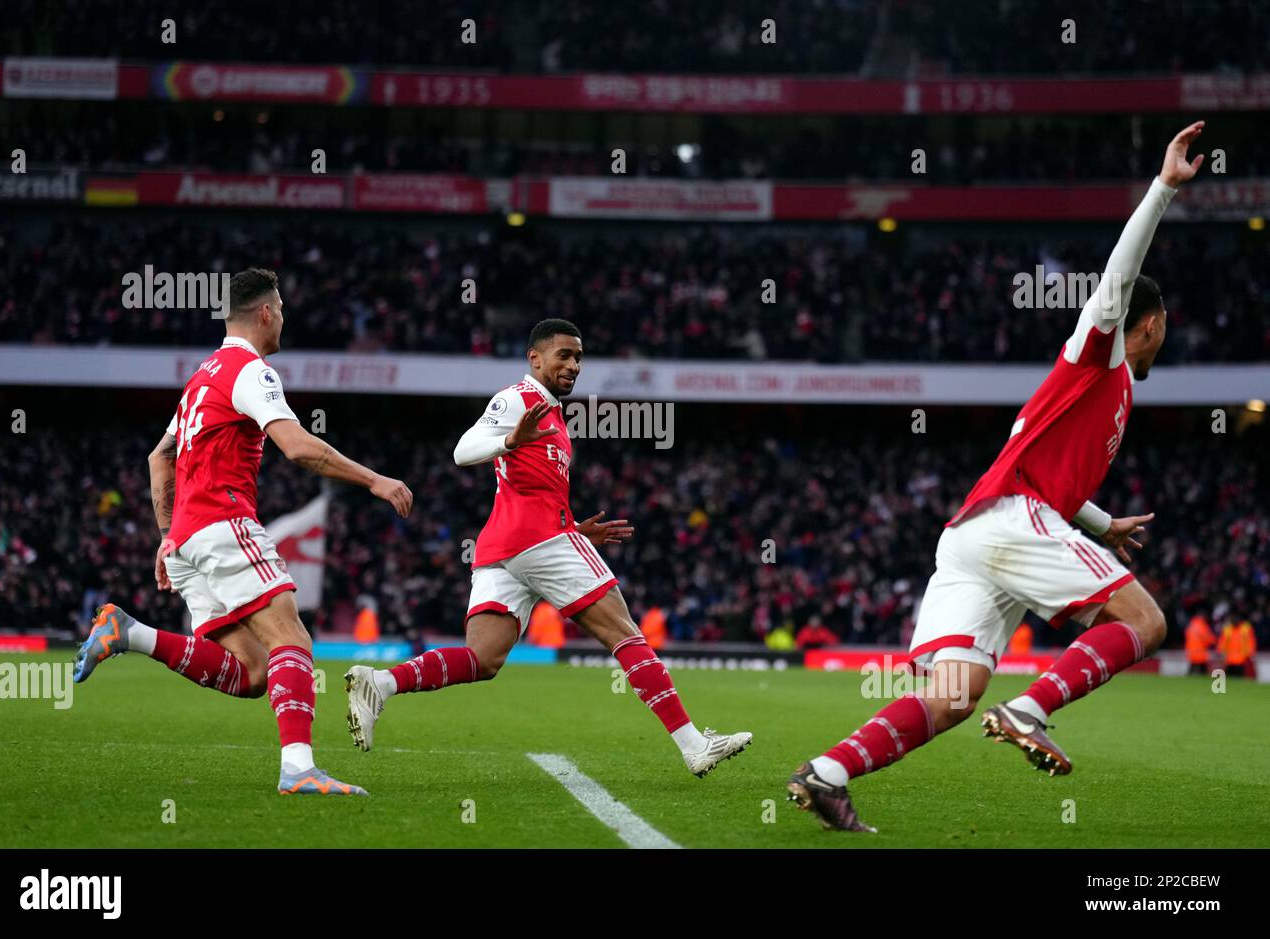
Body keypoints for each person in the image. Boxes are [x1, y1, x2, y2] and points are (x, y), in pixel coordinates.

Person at [786, 123, 1206, 832]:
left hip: (976, 535)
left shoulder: (1102, 396)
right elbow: (1117, 280)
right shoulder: (1098, 355)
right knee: (1146, 619)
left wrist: (1103, 523)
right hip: (1013, 518)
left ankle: (825, 773)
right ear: (1154, 323)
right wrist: (1164, 188)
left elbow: (1051, 471)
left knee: (952, 697)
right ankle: (1031, 707)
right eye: (1161, 324)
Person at [344, 319, 751, 776]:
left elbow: (530, 488)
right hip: (538, 540)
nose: (573, 364)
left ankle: (380, 683)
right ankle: (694, 745)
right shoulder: (519, 398)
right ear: (534, 358)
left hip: (507, 546)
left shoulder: (554, 415)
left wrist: (575, 527)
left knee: (483, 659)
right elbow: (463, 450)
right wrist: (510, 440)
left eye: (579, 357)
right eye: (564, 355)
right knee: (625, 633)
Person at [73, 269, 413, 796]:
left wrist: (168, 534)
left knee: (253, 673)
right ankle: (299, 769)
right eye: (282, 309)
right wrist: (375, 480)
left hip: (189, 536)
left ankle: (128, 632)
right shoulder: (250, 371)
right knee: (292, 638)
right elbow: (299, 447)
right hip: (222, 521)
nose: (284, 319)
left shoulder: (200, 377)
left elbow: (159, 457)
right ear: (266, 312)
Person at [1185, 607, 1216, 675]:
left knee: (1192, 668)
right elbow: (1210, 639)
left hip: (1191, 651)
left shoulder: (1191, 624)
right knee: (1202, 670)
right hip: (1200, 652)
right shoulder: (1203, 626)